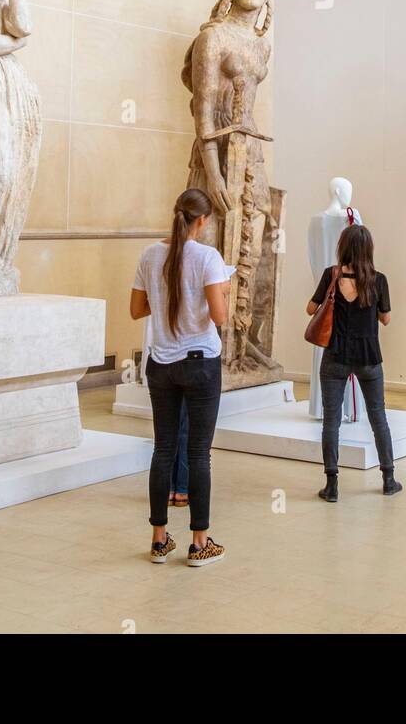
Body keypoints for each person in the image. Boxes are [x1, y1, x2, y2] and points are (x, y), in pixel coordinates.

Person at [130, 188, 228, 565]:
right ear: (201, 221)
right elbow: (218, 317)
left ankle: (158, 540)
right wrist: (220, 288)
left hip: (162, 364)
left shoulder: (151, 254)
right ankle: (200, 543)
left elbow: (137, 310)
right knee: (199, 453)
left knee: (163, 449)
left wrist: (167, 292)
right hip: (200, 362)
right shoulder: (208, 257)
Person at [306, 223, 402, 502]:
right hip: (369, 358)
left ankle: (332, 485)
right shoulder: (378, 279)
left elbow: (311, 309)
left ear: (343, 247)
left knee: (331, 422)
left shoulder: (331, 276)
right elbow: (386, 318)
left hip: (335, 356)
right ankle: (388, 478)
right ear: (368, 249)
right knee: (379, 418)